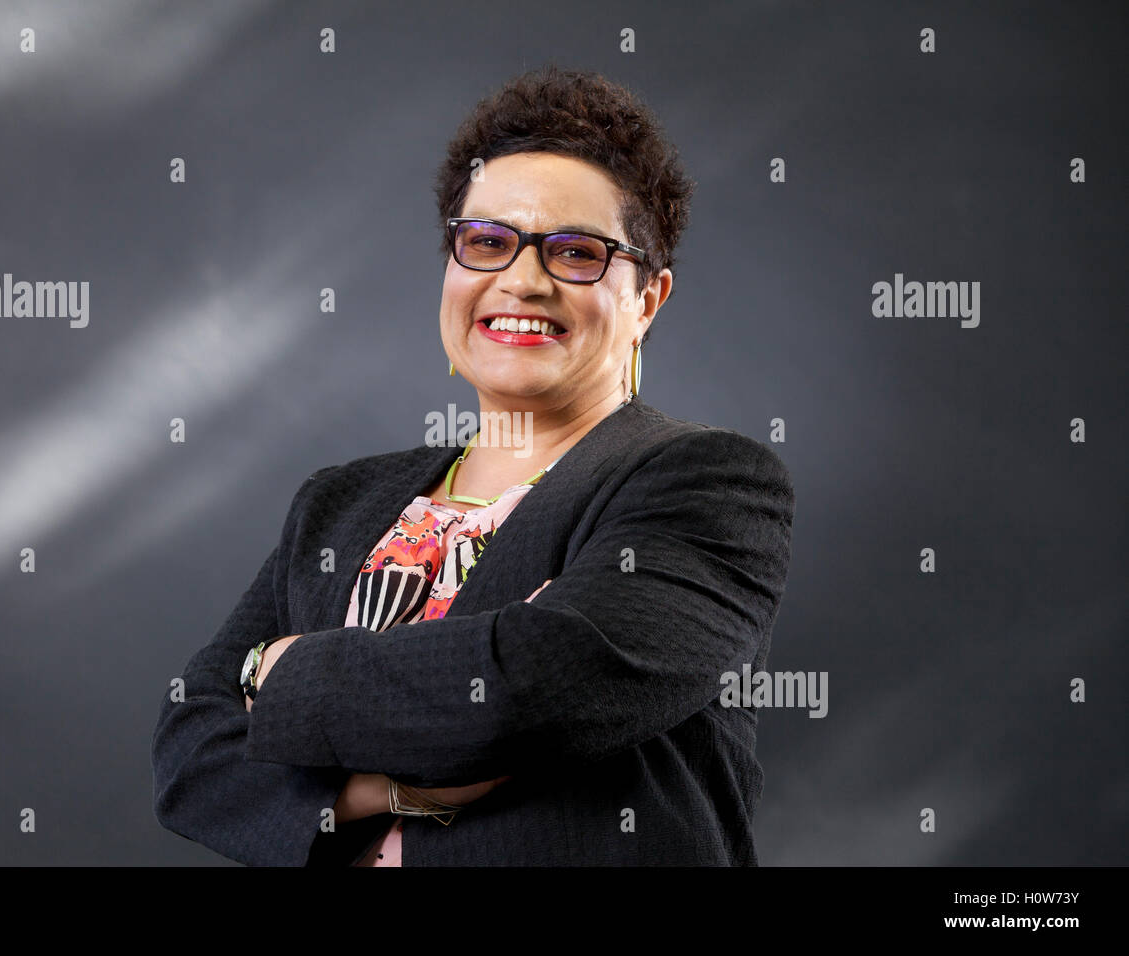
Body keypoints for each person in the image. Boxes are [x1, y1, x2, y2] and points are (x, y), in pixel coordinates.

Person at [151, 64, 795, 866]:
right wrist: (383, 790)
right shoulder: (338, 503)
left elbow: (534, 689)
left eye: (575, 253)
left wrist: (276, 672)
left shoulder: (704, 483)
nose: (521, 281)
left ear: (647, 300)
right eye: (486, 242)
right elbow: (190, 752)